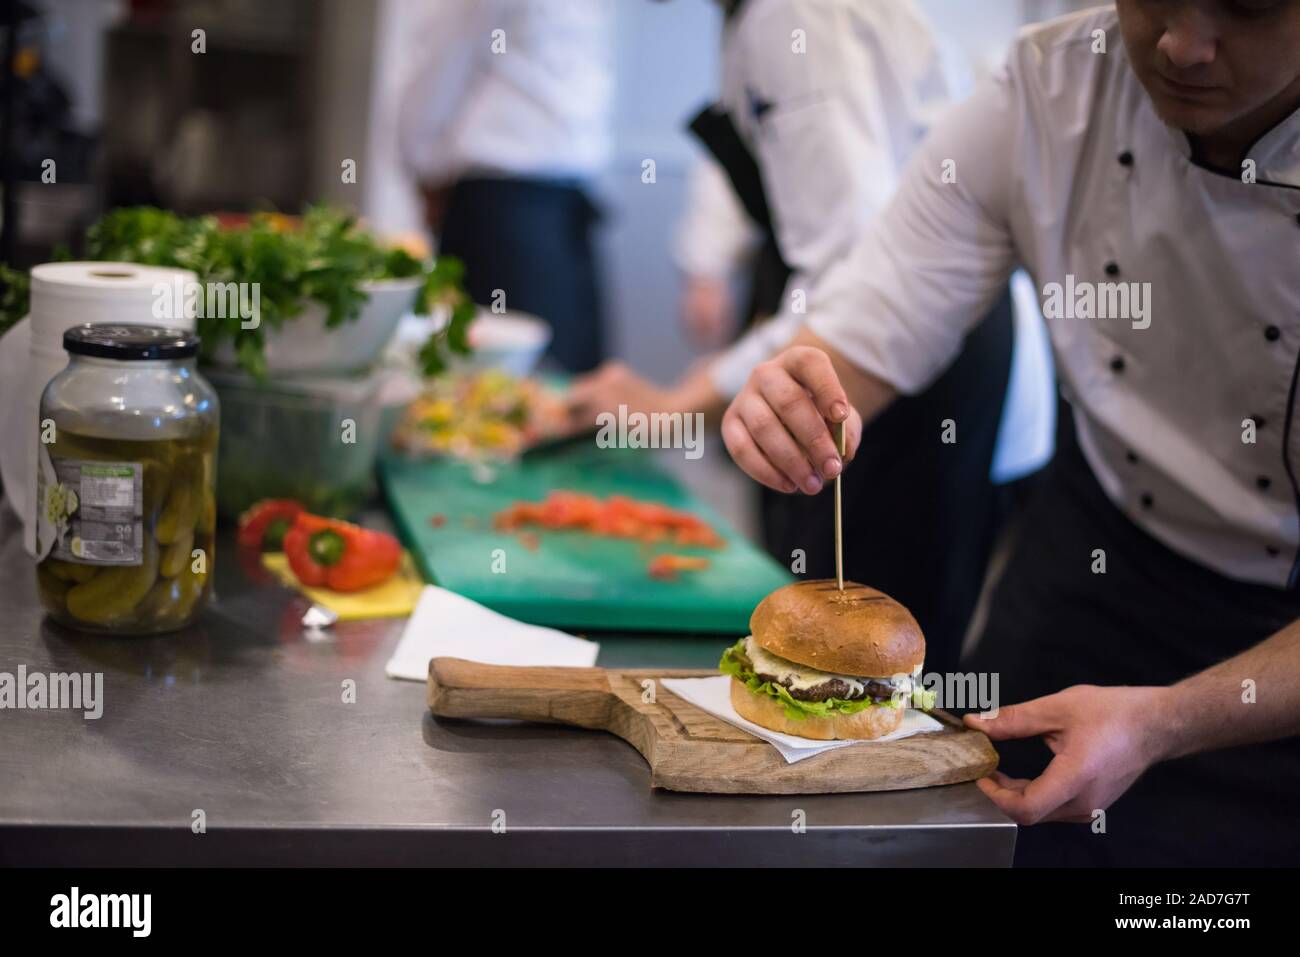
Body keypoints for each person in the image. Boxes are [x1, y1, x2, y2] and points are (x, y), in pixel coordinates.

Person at [720, 0, 1300, 866]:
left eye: (1246, 10)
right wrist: (788, 392)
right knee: (972, 849)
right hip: (1100, 555)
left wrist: (1166, 720)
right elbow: (881, 311)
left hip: (1281, 636)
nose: (1183, 44)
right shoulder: (1045, 85)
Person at [571, 0, 1053, 675]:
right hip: (923, 346)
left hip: (909, 374)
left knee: (865, 672)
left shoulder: (794, 17)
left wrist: (678, 404)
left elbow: (849, 271)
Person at [398, 0, 613, 372]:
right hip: (502, 206)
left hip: (566, 204)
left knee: (576, 382)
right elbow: (441, 64)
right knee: (501, 378)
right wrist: (425, 165)